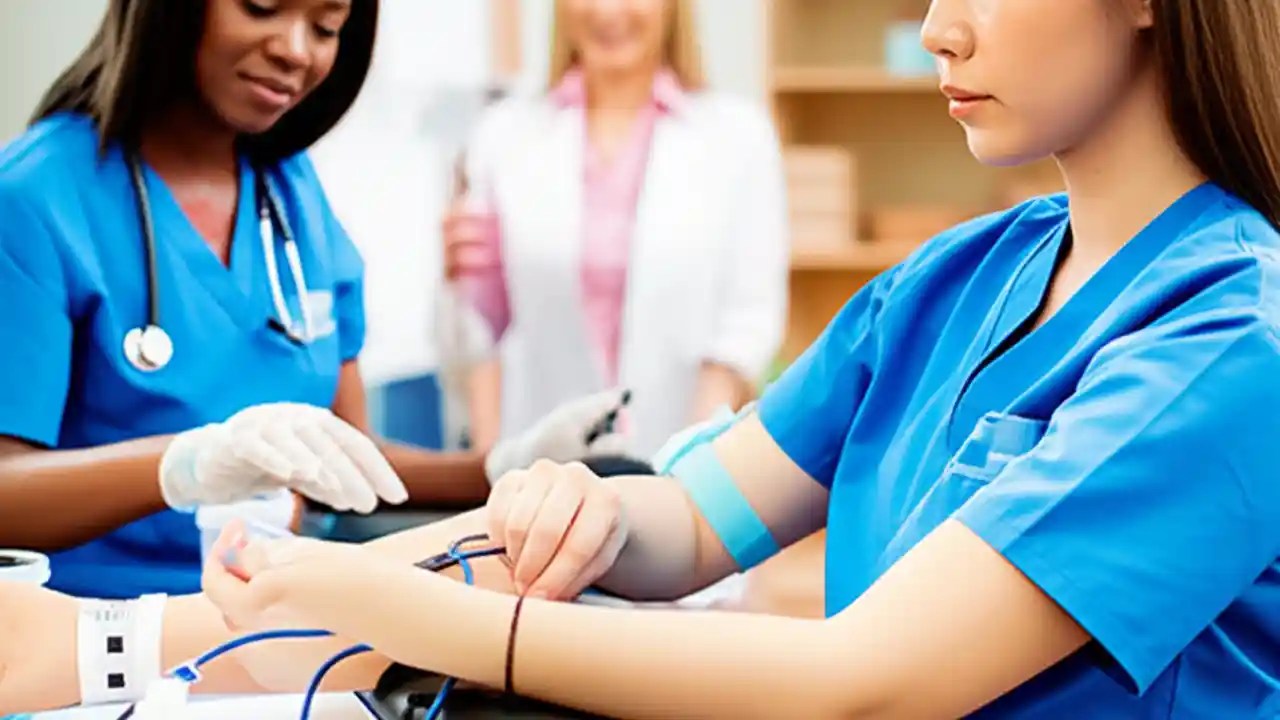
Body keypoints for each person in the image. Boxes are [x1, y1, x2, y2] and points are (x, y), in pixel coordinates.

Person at [4, 0, 1280, 717]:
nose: (938, 28)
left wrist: (388, 604)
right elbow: (693, 514)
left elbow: (868, 681)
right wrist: (590, 504)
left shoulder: (1228, 339)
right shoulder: (956, 276)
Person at [0, 0, 625, 601]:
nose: (296, 52)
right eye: (261, 7)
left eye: (326, 27)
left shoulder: (290, 190)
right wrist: (186, 464)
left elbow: (346, 463)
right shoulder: (37, 197)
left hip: (277, 631)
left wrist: (504, 468)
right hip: (98, 649)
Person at [443, 0, 788, 458]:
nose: (608, 10)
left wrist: (686, 471)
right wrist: (488, 472)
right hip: (535, 472)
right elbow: (479, 334)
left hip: (678, 462)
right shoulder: (503, 135)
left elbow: (745, 325)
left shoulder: (739, 138)